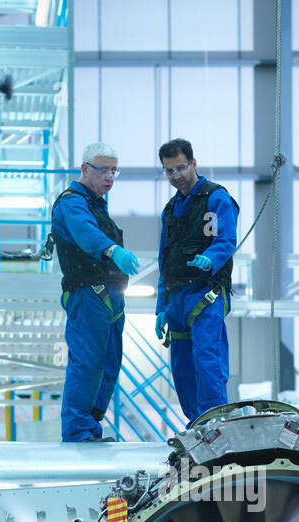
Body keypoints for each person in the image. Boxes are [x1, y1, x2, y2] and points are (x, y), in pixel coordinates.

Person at [50, 142, 140, 441]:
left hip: (111, 297)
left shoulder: (98, 204)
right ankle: (77, 430)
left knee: (110, 363)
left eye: (115, 170)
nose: (110, 176)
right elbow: (85, 233)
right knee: (87, 362)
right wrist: (113, 250)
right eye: (104, 170)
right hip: (88, 295)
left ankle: (91, 425)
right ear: (85, 169)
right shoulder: (72, 202)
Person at [155, 138, 239, 425]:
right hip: (176, 297)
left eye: (180, 168)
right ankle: (196, 426)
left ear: (193, 163)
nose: (175, 176)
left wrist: (212, 258)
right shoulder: (170, 209)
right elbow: (163, 259)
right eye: (169, 171)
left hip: (206, 293)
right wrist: (160, 306)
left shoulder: (216, 198)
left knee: (207, 361)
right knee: (182, 367)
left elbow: (226, 239)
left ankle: (216, 425)